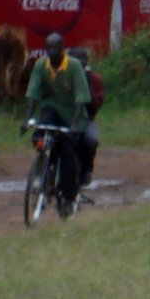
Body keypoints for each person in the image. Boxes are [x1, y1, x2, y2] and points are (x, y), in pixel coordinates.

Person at [23, 32, 91, 203]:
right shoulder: (41, 65)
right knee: (42, 130)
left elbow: (81, 98)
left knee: (67, 152)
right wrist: (27, 118)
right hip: (51, 109)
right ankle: (41, 167)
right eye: (48, 48)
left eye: (55, 48)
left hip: (71, 115)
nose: (52, 51)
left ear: (63, 49)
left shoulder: (74, 66)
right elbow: (33, 93)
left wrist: (75, 124)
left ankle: (68, 196)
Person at [68, 47, 104, 187]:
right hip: (64, 118)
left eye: (82, 61)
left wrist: (86, 87)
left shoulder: (95, 79)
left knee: (91, 140)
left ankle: (86, 170)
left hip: (87, 120)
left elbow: (95, 106)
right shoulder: (62, 76)